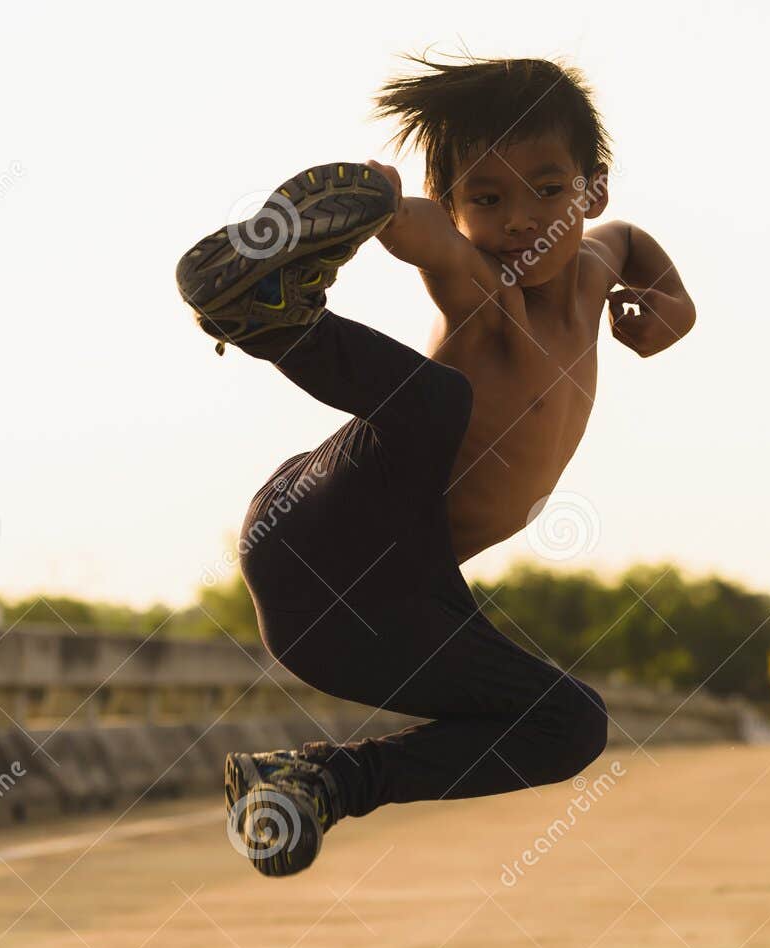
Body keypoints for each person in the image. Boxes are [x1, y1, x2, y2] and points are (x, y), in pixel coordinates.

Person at [174, 55, 696, 876]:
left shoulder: (596, 268)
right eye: (486, 200)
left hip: (379, 615)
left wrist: (675, 305)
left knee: (572, 724)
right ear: (453, 207)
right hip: (314, 535)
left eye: (547, 191)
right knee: (440, 400)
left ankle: (320, 781)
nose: (521, 221)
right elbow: (431, 244)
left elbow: (630, 241)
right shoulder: (481, 290)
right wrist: (381, 210)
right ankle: (273, 317)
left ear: (592, 190)